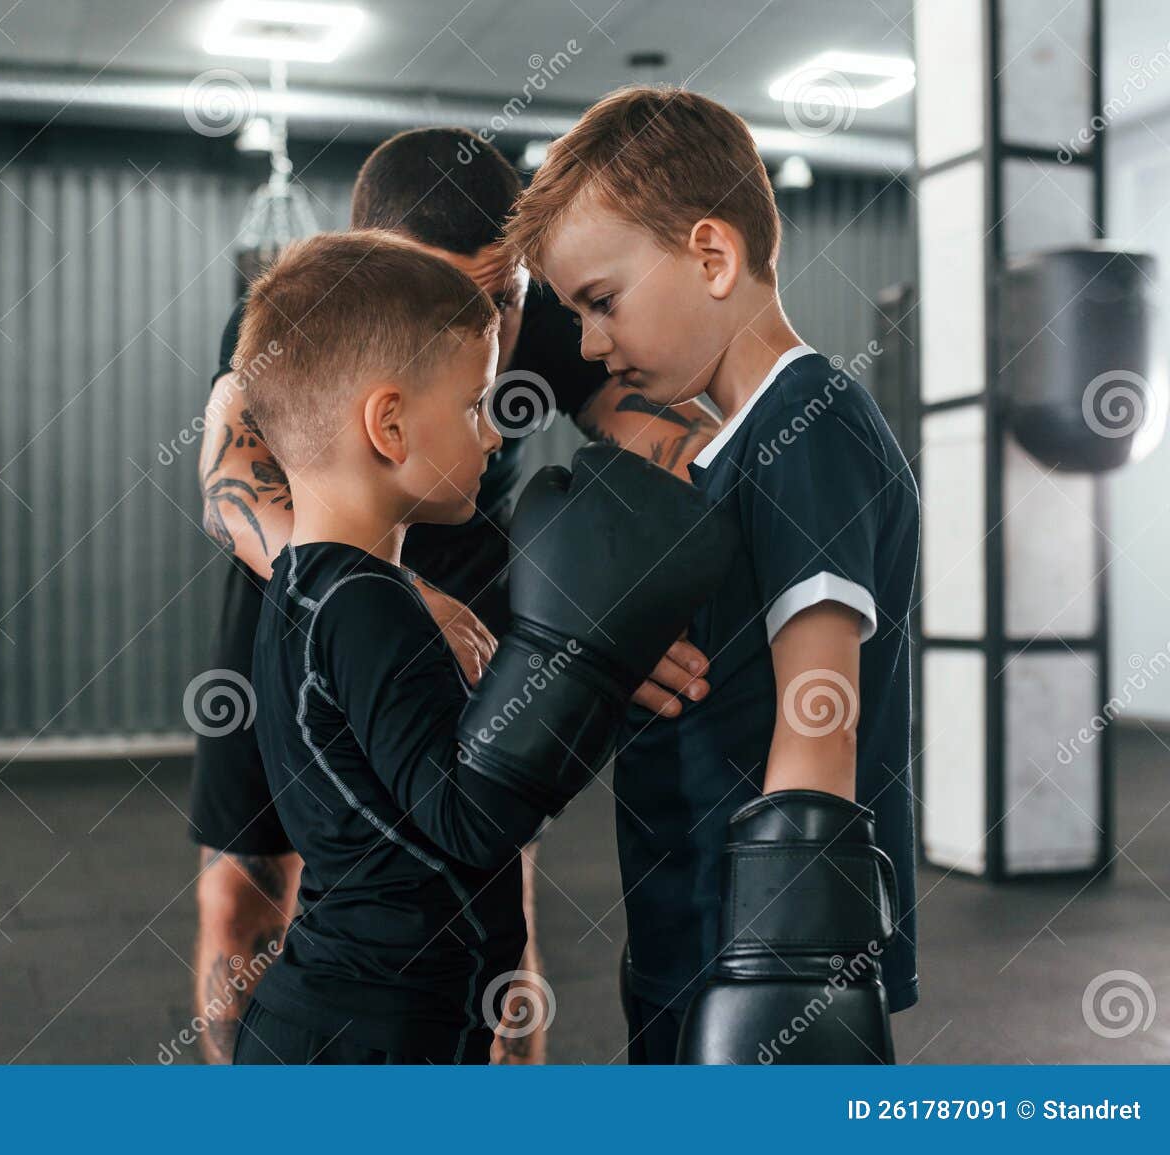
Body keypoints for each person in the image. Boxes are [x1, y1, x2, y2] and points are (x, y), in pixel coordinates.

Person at [190, 127, 719, 1063]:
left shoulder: (532, 315)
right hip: (294, 576)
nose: (483, 323)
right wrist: (377, 589)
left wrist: (619, 595)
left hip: (470, 596)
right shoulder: (302, 311)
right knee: (241, 898)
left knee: (488, 908)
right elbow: (229, 489)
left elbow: (663, 435)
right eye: (445, 295)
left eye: (497, 299)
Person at [506, 85, 920, 1064]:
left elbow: (820, 709)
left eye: (601, 304)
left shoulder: (809, 427)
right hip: (684, 919)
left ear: (712, 255)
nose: (592, 346)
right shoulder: (727, 448)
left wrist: (780, 977)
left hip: (752, 955)